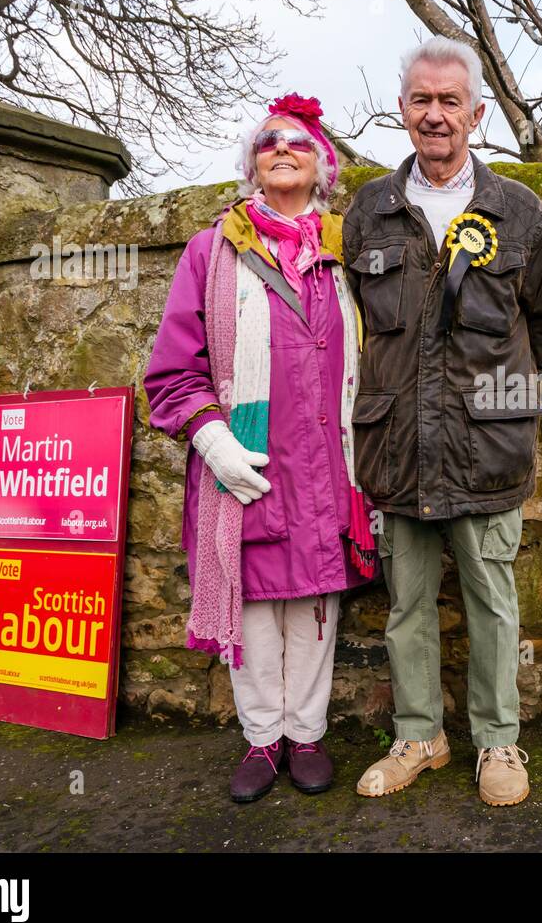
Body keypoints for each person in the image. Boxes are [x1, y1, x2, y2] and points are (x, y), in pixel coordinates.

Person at [343, 37, 542, 807]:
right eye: (420, 99)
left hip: (486, 449)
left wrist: (496, 400)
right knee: (407, 603)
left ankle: (498, 739)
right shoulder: (369, 212)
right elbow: (356, 332)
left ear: (476, 113)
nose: (435, 114)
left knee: (492, 602)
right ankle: (420, 735)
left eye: (450, 101)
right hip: (399, 447)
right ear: (402, 110)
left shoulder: (519, 213)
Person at [144, 93, 376, 803]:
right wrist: (214, 442)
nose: (282, 149)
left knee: (313, 607)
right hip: (246, 467)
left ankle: (306, 734)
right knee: (253, 610)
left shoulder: (347, 252)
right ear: (252, 160)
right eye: (269, 140)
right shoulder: (211, 252)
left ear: (323, 168)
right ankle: (261, 739)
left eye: (299, 143)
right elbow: (172, 369)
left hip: (329, 467)